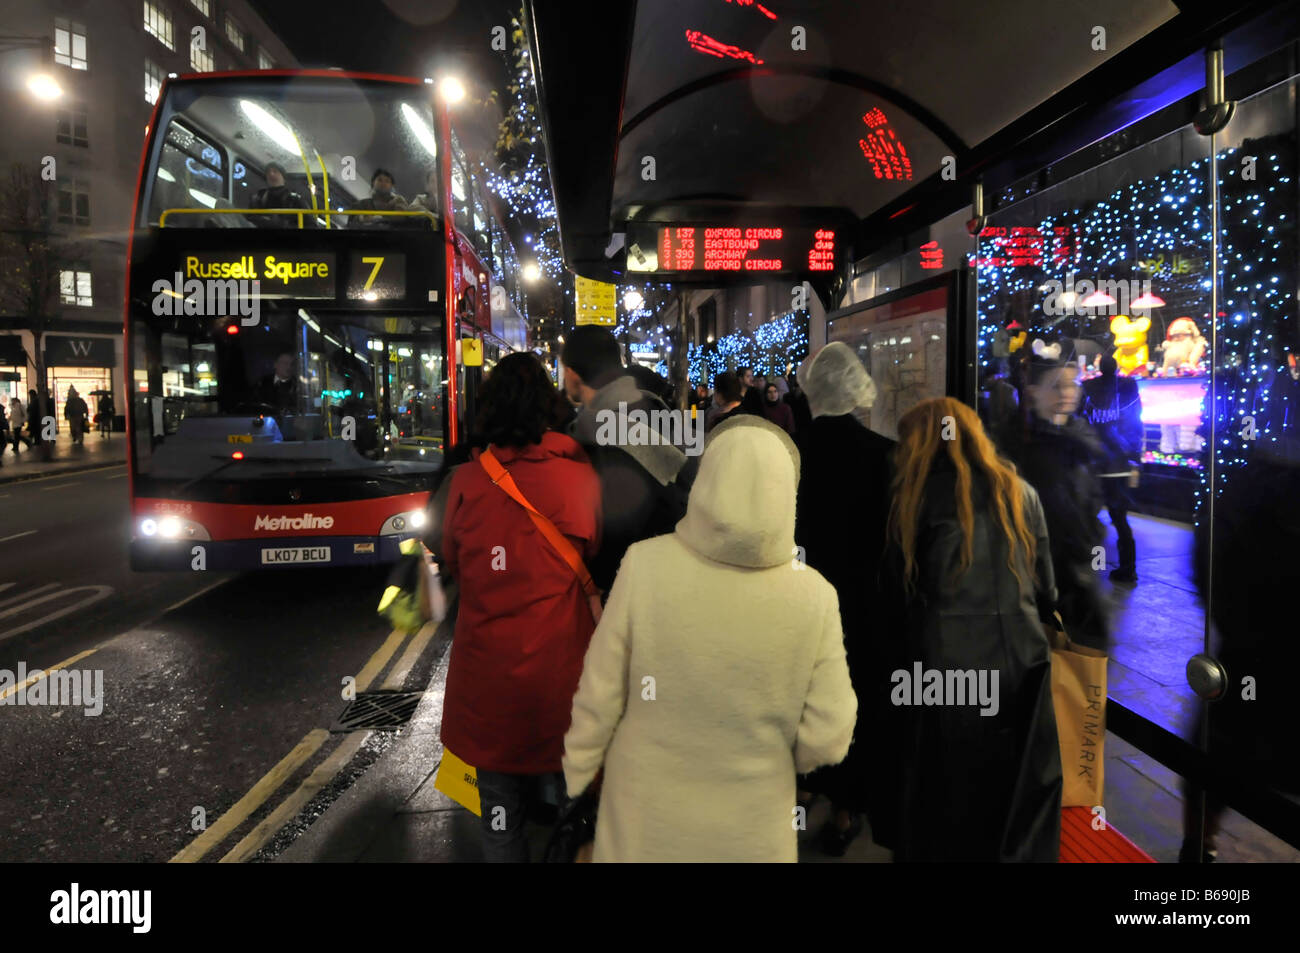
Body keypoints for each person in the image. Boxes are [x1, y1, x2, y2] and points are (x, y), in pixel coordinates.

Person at [563, 415, 858, 861]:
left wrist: (579, 766)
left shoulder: (644, 565)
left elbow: (601, 688)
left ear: (705, 480)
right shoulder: (815, 595)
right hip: (752, 829)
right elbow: (830, 735)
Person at [438, 353, 602, 862]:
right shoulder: (580, 479)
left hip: (488, 682)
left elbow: (451, 560)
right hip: (562, 675)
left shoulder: (463, 485)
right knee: (574, 806)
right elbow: (591, 551)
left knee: (499, 811)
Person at [885, 397, 1062, 861]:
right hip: (1022, 665)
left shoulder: (911, 500)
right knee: (1013, 793)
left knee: (944, 795)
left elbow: (894, 593)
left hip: (943, 672)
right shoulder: (1021, 493)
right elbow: (1048, 591)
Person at [793, 342, 899, 854]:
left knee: (802, 696)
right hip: (861, 606)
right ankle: (843, 811)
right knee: (854, 700)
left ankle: (805, 783)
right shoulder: (885, 456)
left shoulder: (791, 450)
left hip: (798, 602)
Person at [997, 340, 1109, 651]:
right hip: (1032, 575)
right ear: (1032, 391)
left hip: (1077, 569)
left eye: (1071, 384)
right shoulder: (1016, 444)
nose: (1068, 394)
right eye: (1056, 386)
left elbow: (1089, 499)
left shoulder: (1081, 437)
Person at [561, 326, 691, 594]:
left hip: (631, 592)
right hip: (676, 574)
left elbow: (613, 532)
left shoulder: (597, 435)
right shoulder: (657, 409)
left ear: (573, 374)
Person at [1081, 354, 1143, 585]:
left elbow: (1081, 423)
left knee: (1090, 518)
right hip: (1121, 465)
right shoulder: (1129, 388)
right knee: (1120, 520)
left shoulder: (1088, 389)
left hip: (1096, 464)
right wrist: (1135, 458)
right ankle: (1128, 570)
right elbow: (1136, 423)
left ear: (1099, 368)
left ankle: (1092, 565)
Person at [248, 162, 309, 228]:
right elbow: (250, 218)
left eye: (275, 171)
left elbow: (310, 225)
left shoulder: (294, 199)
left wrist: (283, 225)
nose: (271, 174)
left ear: (283, 177)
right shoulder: (258, 197)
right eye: (268, 172)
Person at [256, 352, 300, 431]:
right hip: (264, 426)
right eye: (285, 363)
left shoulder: (298, 385)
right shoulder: (263, 383)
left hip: (290, 428)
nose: (289, 367)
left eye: (292, 364)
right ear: (275, 365)